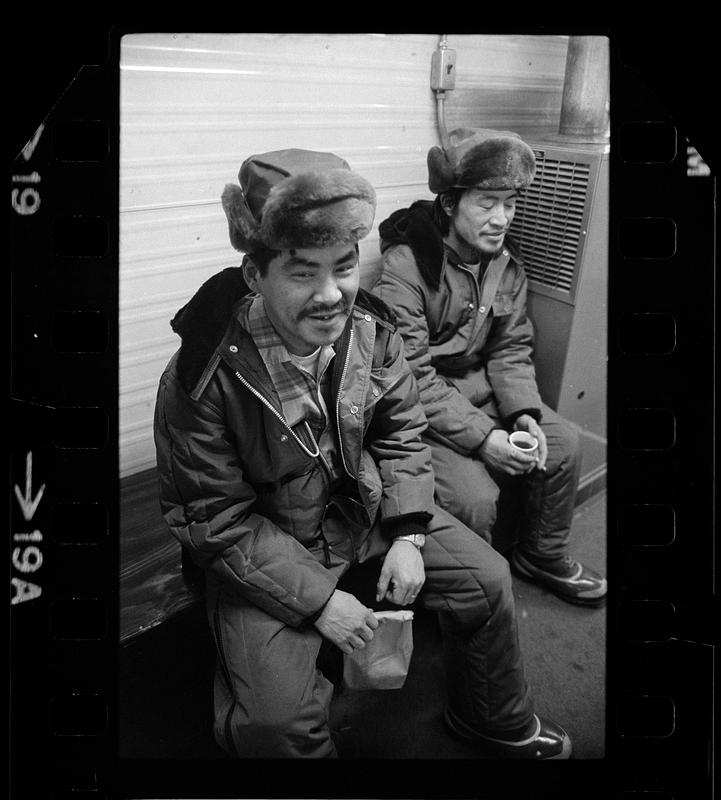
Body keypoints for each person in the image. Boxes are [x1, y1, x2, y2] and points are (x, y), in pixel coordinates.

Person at [153, 147, 572, 759]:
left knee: (488, 580)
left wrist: (408, 534)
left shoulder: (371, 333)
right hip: (270, 544)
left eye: (344, 267)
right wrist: (322, 602)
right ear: (254, 274)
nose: (330, 295)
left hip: (363, 516)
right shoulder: (203, 375)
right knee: (275, 726)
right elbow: (213, 518)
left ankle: (492, 718)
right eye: (302, 273)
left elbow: (401, 433)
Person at [372, 128, 607, 606]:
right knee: (473, 498)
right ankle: (468, 600)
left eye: (510, 203)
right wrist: (483, 437)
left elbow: (511, 348)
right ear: (451, 203)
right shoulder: (406, 267)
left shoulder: (504, 264)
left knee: (562, 443)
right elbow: (410, 377)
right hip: (424, 411)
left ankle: (539, 555)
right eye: (486, 202)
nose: (501, 218)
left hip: (481, 394)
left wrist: (524, 413)